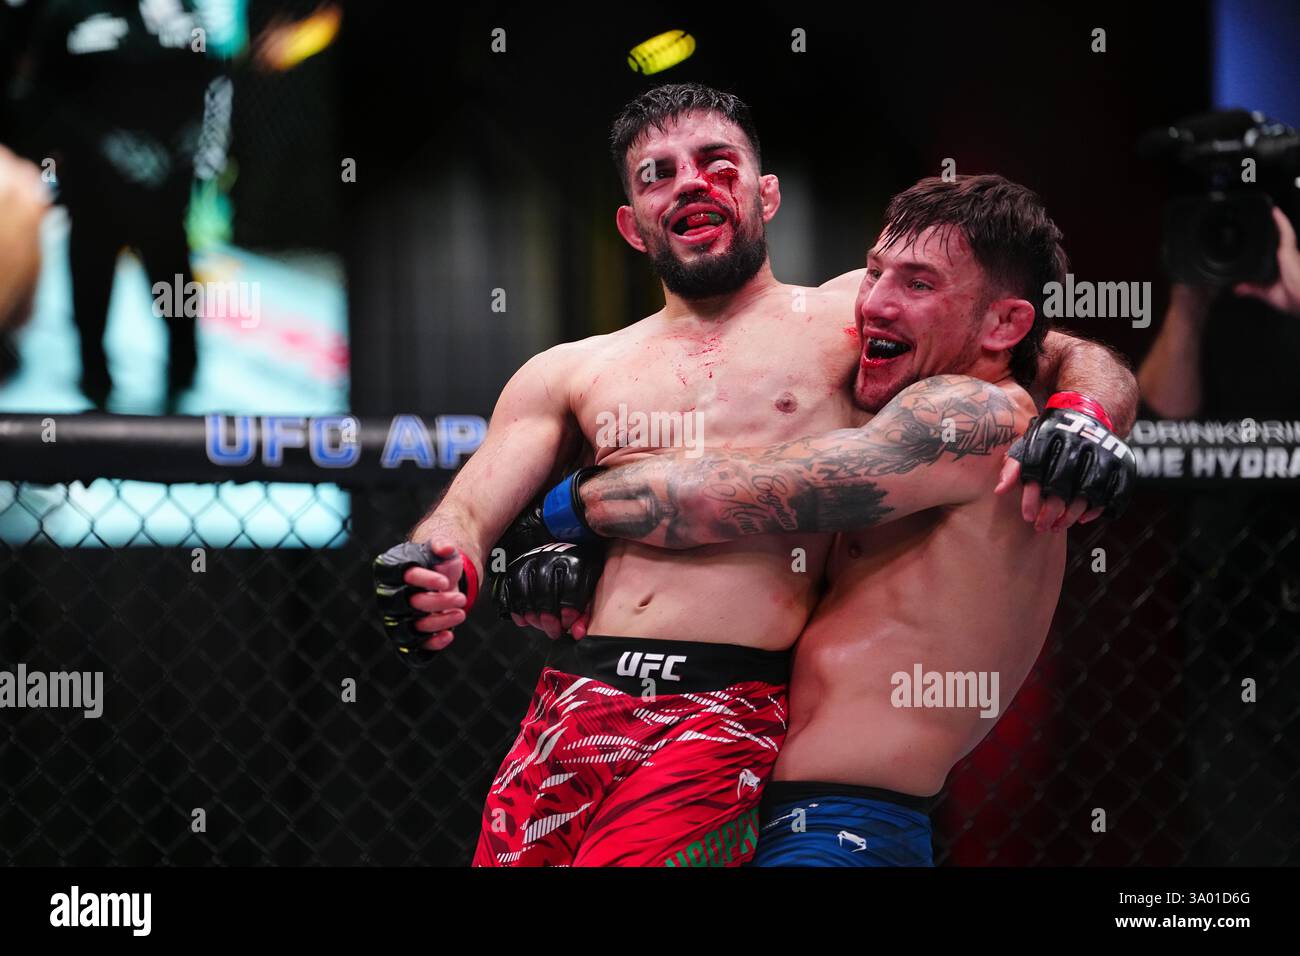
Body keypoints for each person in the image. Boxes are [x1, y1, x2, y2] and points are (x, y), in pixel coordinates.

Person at [373, 85, 1137, 867]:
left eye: (717, 162)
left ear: (764, 194)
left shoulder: (858, 315)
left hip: (728, 705)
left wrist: (1082, 411)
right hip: (574, 695)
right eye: (658, 173)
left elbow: (1059, 348)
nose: (691, 182)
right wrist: (433, 560)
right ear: (632, 226)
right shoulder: (566, 369)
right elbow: (469, 510)